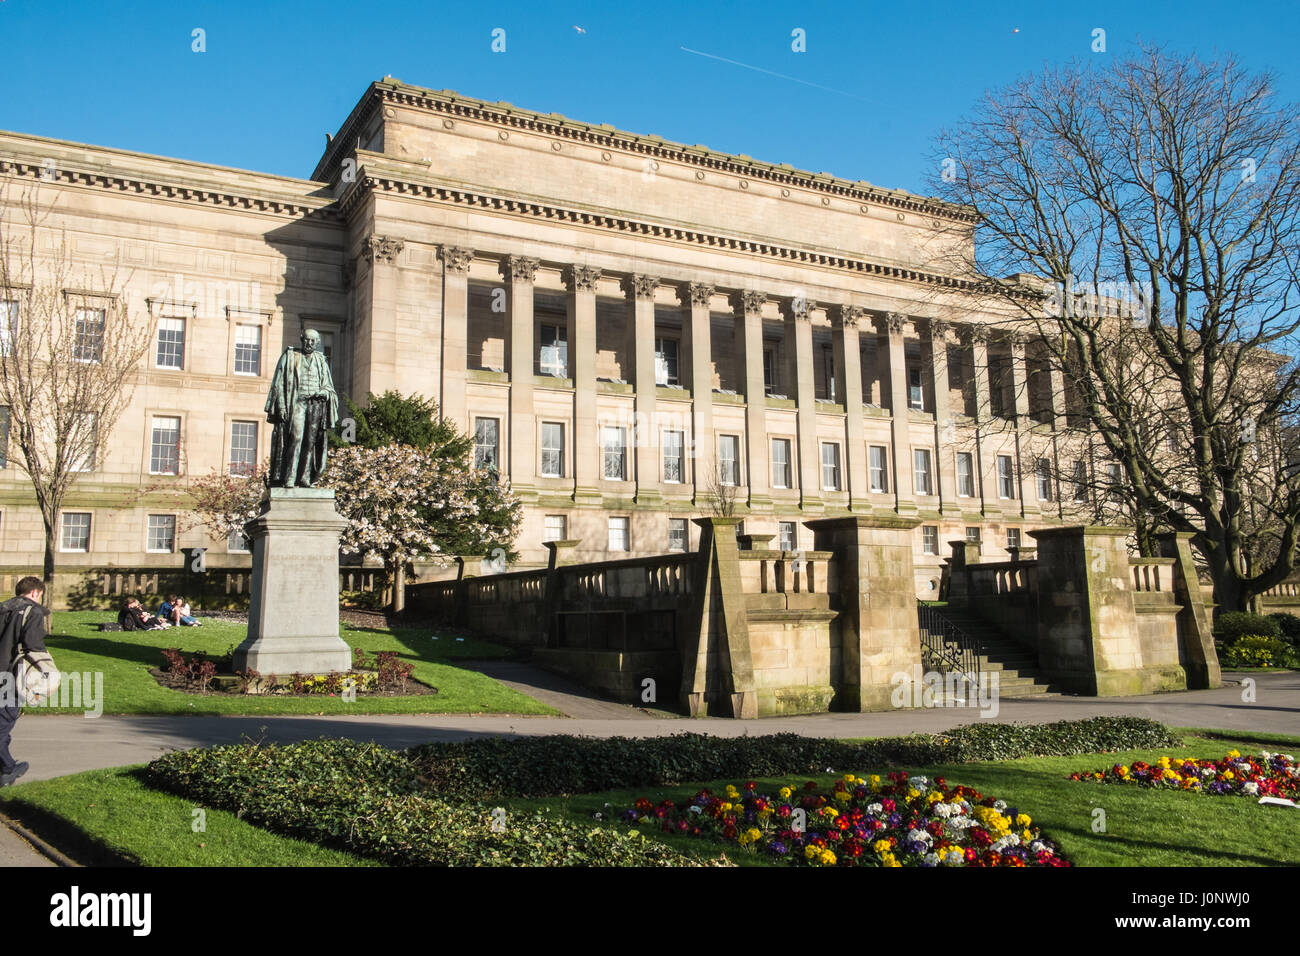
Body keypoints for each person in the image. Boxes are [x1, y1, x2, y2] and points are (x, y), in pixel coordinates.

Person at [0, 576, 50, 786]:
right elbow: (33, 645)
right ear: (35, 593)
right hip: (10, 674)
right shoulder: (33, 611)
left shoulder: (3, 608)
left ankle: (6, 765)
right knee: (4, 722)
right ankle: (7, 768)